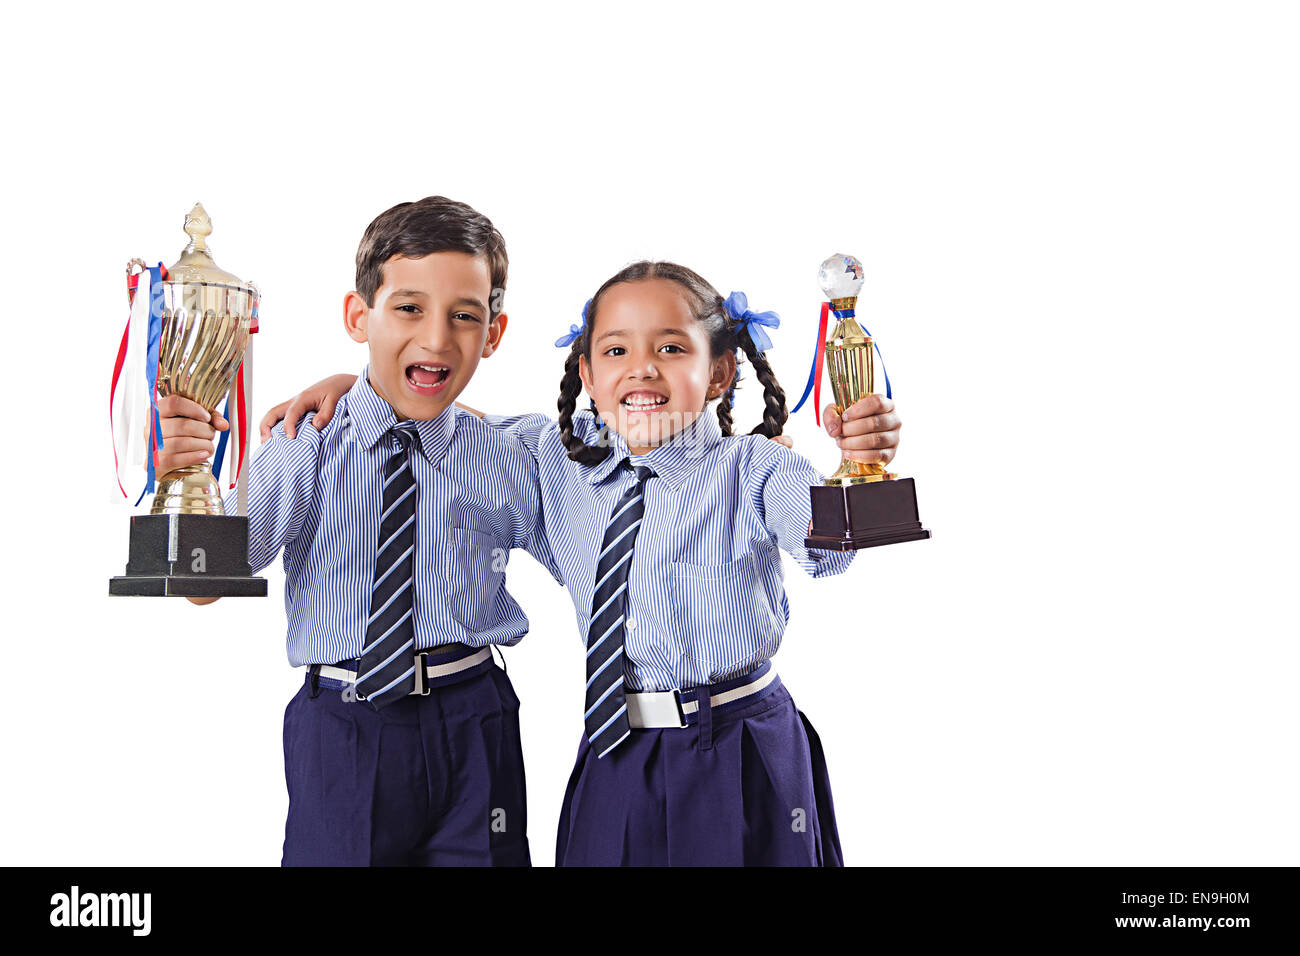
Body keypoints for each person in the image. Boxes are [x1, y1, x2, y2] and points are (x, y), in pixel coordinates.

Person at [265, 261, 902, 865]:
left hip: (736, 744)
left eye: (672, 349)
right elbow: (450, 422)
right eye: (616, 351)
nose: (642, 370)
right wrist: (356, 387)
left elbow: (827, 542)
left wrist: (861, 469)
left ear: (719, 373)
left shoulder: (755, 469)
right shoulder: (558, 461)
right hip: (613, 749)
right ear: (588, 376)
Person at [154, 196, 561, 866]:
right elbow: (202, 585)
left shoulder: (505, 455)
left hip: (475, 719)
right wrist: (182, 480)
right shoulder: (305, 444)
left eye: (465, 316)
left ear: (494, 332)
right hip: (345, 726)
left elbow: (598, 539)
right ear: (358, 316)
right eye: (408, 308)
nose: (436, 338)